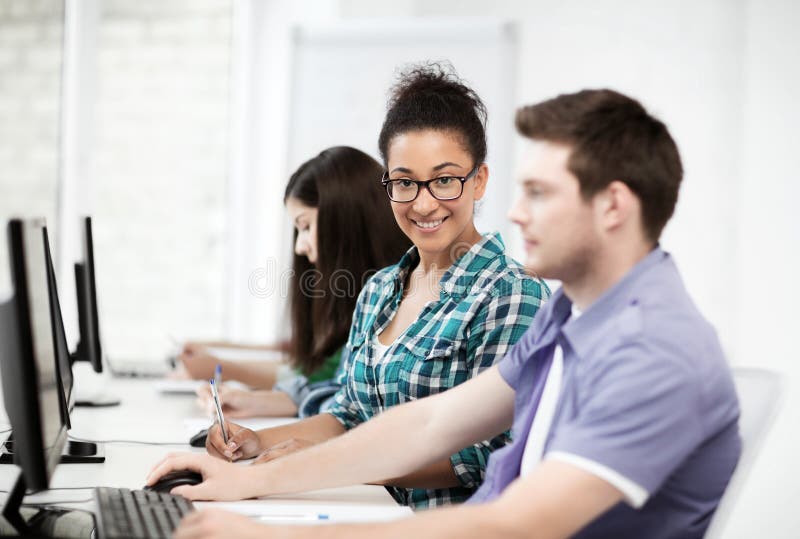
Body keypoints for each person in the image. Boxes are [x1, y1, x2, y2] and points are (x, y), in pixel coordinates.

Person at [150, 88, 742, 539]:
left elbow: (516, 525)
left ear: (613, 205)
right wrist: (249, 480)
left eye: (538, 193)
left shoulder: (654, 350)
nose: (515, 213)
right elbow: (429, 425)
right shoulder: (573, 313)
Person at [188, 63, 548, 509]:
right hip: (362, 508)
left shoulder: (511, 295)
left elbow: (484, 455)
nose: (423, 202)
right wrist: (257, 442)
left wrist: (327, 464)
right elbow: (348, 415)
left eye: (444, 179)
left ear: (479, 181)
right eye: (404, 182)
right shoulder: (379, 289)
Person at [193, 146, 412, 417]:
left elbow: (339, 398)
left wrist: (222, 367)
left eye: (305, 226)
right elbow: (332, 391)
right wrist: (253, 400)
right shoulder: (361, 298)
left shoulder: (399, 300)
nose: (300, 247)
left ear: (344, 222)